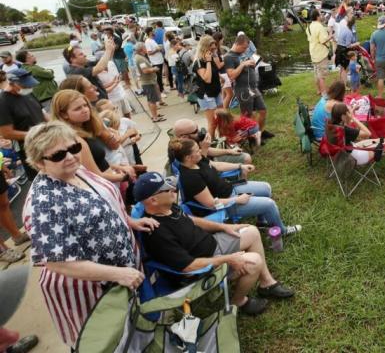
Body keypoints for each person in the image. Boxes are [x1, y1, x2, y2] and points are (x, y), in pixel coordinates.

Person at [22, 120, 157, 349]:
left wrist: (129, 221)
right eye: (57, 155)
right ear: (38, 163)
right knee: (109, 339)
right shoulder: (43, 204)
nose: (70, 156)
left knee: (133, 325)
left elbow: (104, 202)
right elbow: (58, 263)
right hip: (90, 288)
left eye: (73, 148)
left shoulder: (77, 169)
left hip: (122, 270)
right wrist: (118, 274)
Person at [135, 172, 294, 316]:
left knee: (251, 231)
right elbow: (188, 267)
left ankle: (266, 283)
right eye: (166, 189)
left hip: (212, 244)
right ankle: (238, 301)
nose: (172, 189)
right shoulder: (156, 232)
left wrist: (224, 226)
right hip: (202, 266)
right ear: (153, 200)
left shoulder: (168, 207)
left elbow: (192, 220)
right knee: (254, 262)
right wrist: (227, 259)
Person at [168, 137, 301, 235]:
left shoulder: (197, 161)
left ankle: (261, 222)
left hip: (230, 189)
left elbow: (216, 165)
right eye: (197, 150)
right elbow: (210, 203)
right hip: (226, 205)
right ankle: (282, 231)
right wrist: (237, 199)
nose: (201, 151)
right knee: (269, 204)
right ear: (188, 157)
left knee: (266, 188)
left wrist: (240, 166)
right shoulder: (190, 178)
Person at [51, 90, 136, 186]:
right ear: (63, 114)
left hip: (111, 180)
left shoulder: (86, 130)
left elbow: (95, 164)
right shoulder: (75, 139)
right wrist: (125, 177)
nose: (85, 110)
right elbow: (94, 174)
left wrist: (119, 168)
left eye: (85, 105)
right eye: (78, 108)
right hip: (105, 185)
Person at [329, 103, 385, 171]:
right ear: (342, 116)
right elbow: (368, 133)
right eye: (347, 113)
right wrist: (354, 118)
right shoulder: (345, 130)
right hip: (354, 157)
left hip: (345, 153)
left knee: (382, 140)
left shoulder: (332, 125)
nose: (349, 114)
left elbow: (348, 127)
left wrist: (350, 114)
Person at [0, 69, 47, 180]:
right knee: (42, 178)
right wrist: (36, 134)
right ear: (13, 83)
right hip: (29, 148)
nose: (29, 88)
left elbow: (43, 113)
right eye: (25, 85)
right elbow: (7, 133)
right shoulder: (3, 102)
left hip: (46, 140)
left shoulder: (28, 94)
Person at [225, 34, 273, 139]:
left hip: (253, 87)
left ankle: (260, 132)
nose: (245, 50)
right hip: (243, 90)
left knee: (262, 110)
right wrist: (243, 65)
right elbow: (232, 75)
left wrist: (252, 63)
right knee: (247, 116)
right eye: (244, 47)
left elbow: (247, 65)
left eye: (246, 48)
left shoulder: (242, 53)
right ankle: (250, 137)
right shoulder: (229, 57)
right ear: (237, 44)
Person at [173, 118, 252, 166]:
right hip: (205, 168)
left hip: (208, 161)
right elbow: (200, 167)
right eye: (196, 131)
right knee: (245, 160)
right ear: (184, 137)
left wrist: (229, 151)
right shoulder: (182, 151)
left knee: (246, 157)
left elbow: (208, 151)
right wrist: (204, 148)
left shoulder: (188, 141)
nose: (200, 132)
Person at [134, 42, 166, 122]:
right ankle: (155, 117)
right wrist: (154, 69)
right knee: (152, 100)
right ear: (141, 49)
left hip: (148, 81)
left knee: (150, 100)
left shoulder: (139, 57)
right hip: (148, 82)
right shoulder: (140, 59)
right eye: (145, 47)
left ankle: (154, 115)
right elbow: (145, 71)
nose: (146, 49)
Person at [307, 9, 333, 96]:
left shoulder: (309, 26)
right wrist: (330, 35)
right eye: (320, 14)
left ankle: (318, 90)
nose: (322, 15)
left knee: (316, 73)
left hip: (313, 52)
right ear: (317, 17)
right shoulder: (319, 27)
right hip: (320, 53)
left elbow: (311, 37)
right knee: (322, 75)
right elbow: (323, 40)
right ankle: (324, 93)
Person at [335, 16, 360, 84]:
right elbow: (348, 45)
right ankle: (344, 85)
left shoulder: (343, 28)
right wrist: (356, 44)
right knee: (344, 69)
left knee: (341, 68)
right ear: (353, 24)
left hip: (338, 48)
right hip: (343, 50)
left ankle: (340, 82)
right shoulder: (349, 32)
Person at [144, 26, 166, 95]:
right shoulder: (147, 41)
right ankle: (160, 91)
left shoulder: (152, 40)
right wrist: (157, 50)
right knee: (158, 77)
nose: (155, 32)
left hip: (159, 60)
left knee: (160, 77)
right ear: (150, 32)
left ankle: (162, 89)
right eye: (153, 31)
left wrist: (159, 48)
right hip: (155, 62)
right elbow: (149, 53)